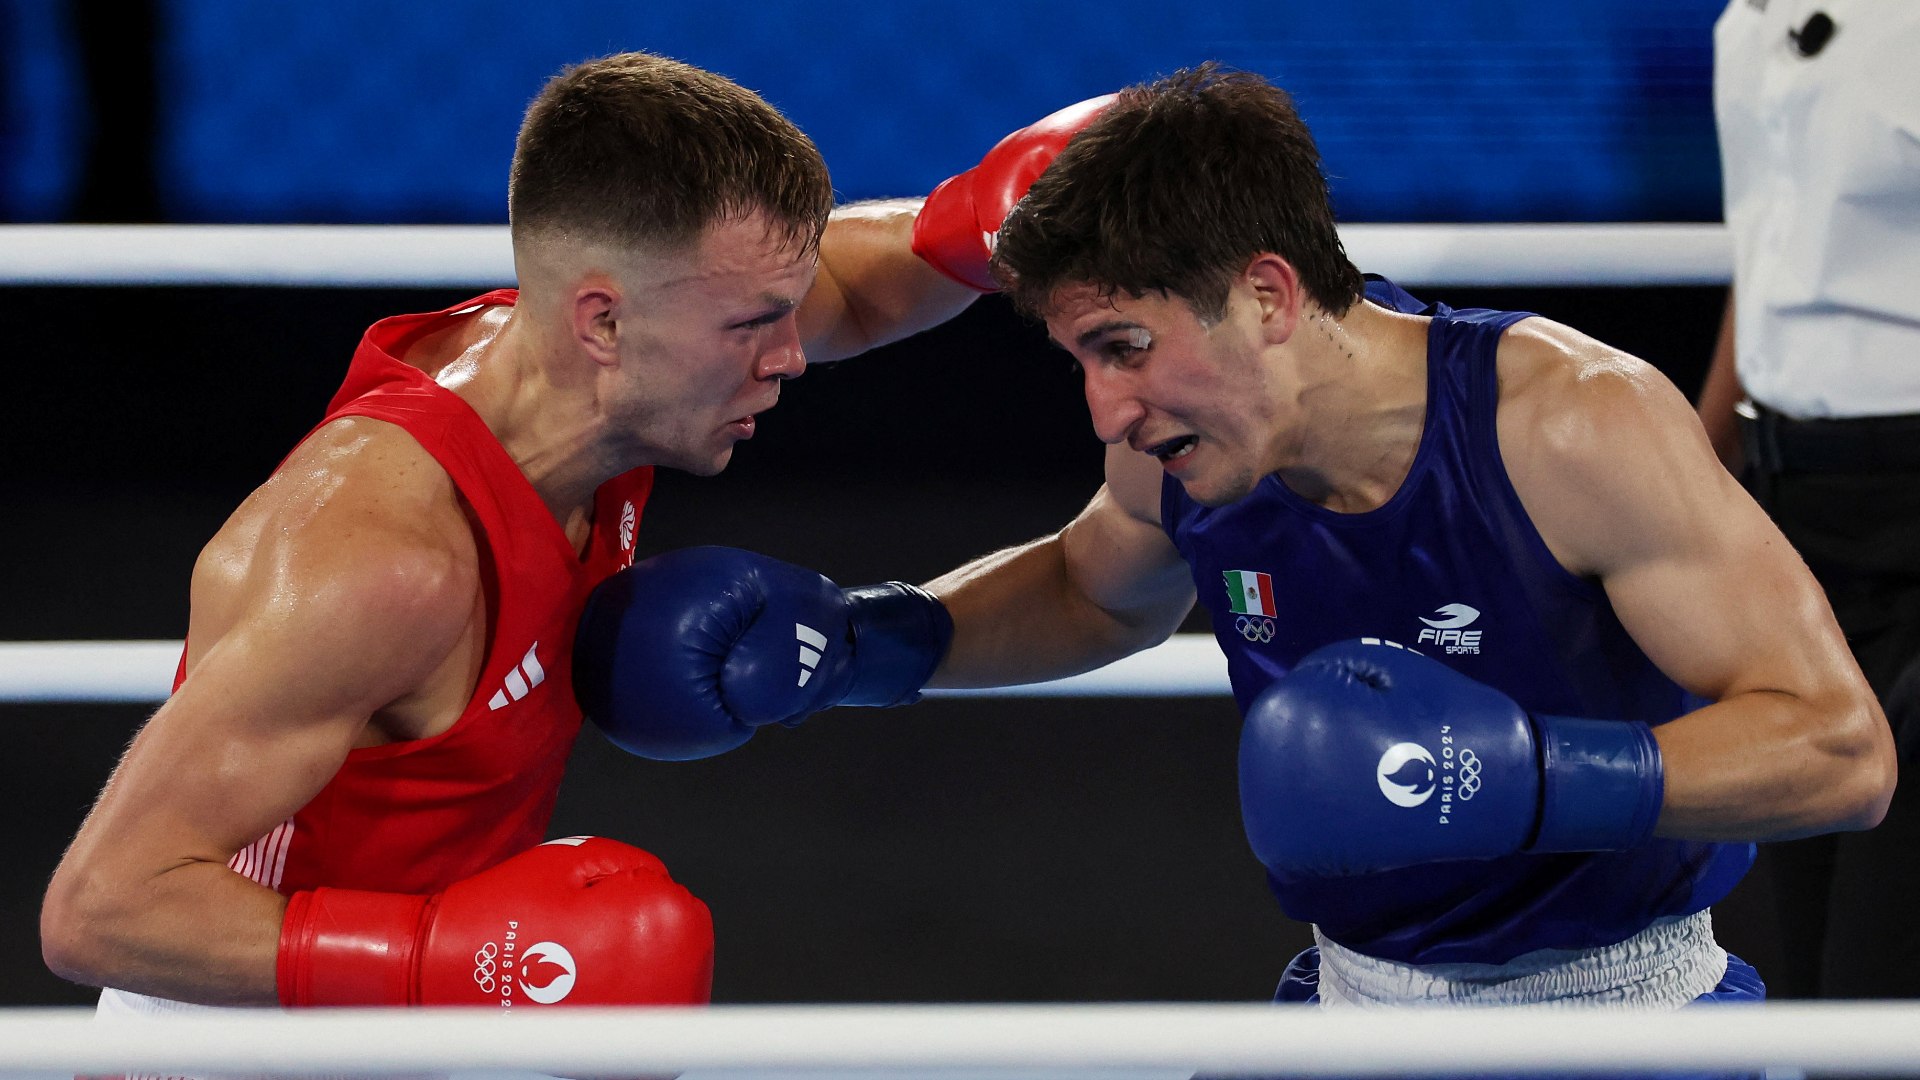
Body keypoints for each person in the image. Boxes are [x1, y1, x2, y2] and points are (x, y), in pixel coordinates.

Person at [575, 63, 1897, 1045]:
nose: (1109, 411)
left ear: (1267, 295)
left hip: (1626, 1025)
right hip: (1346, 1010)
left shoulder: (1568, 422)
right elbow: (1098, 590)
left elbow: (1839, 749)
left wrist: (1536, 778)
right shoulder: (1187, 444)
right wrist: (867, 642)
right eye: (1081, 358)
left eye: (1125, 348)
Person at [37, 49, 1090, 1013]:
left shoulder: (601, 360)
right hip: (232, 1046)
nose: (793, 354)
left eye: (783, 309)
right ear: (602, 320)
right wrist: (451, 957)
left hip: (402, 1026)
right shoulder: (379, 559)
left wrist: (977, 231)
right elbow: (103, 908)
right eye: (754, 325)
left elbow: (857, 291)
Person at [1697, 0, 1920, 1005]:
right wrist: (1697, 464)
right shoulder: (1747, 27)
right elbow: (1770, 258)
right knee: (1821, 967)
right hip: (1791, 513)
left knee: (1888, 966)